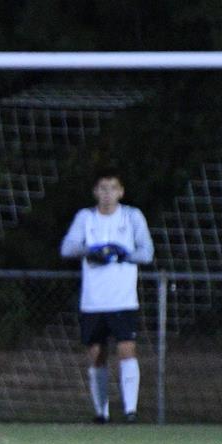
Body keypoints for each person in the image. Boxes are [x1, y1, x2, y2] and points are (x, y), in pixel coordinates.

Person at [58, 173, 154, 423]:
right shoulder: (86, 217)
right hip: (93, 300)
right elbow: (67, 247)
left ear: (121, 191)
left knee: (126, 349)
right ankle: (101, 413)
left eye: (112, 188)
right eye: (102, 188)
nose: (107, 193)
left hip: (123, 299)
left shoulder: (132, 216)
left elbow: (146, 253)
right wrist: (91, 251)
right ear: (95, 192)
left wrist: (124, 254)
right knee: (97, 354)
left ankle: (130, 411)